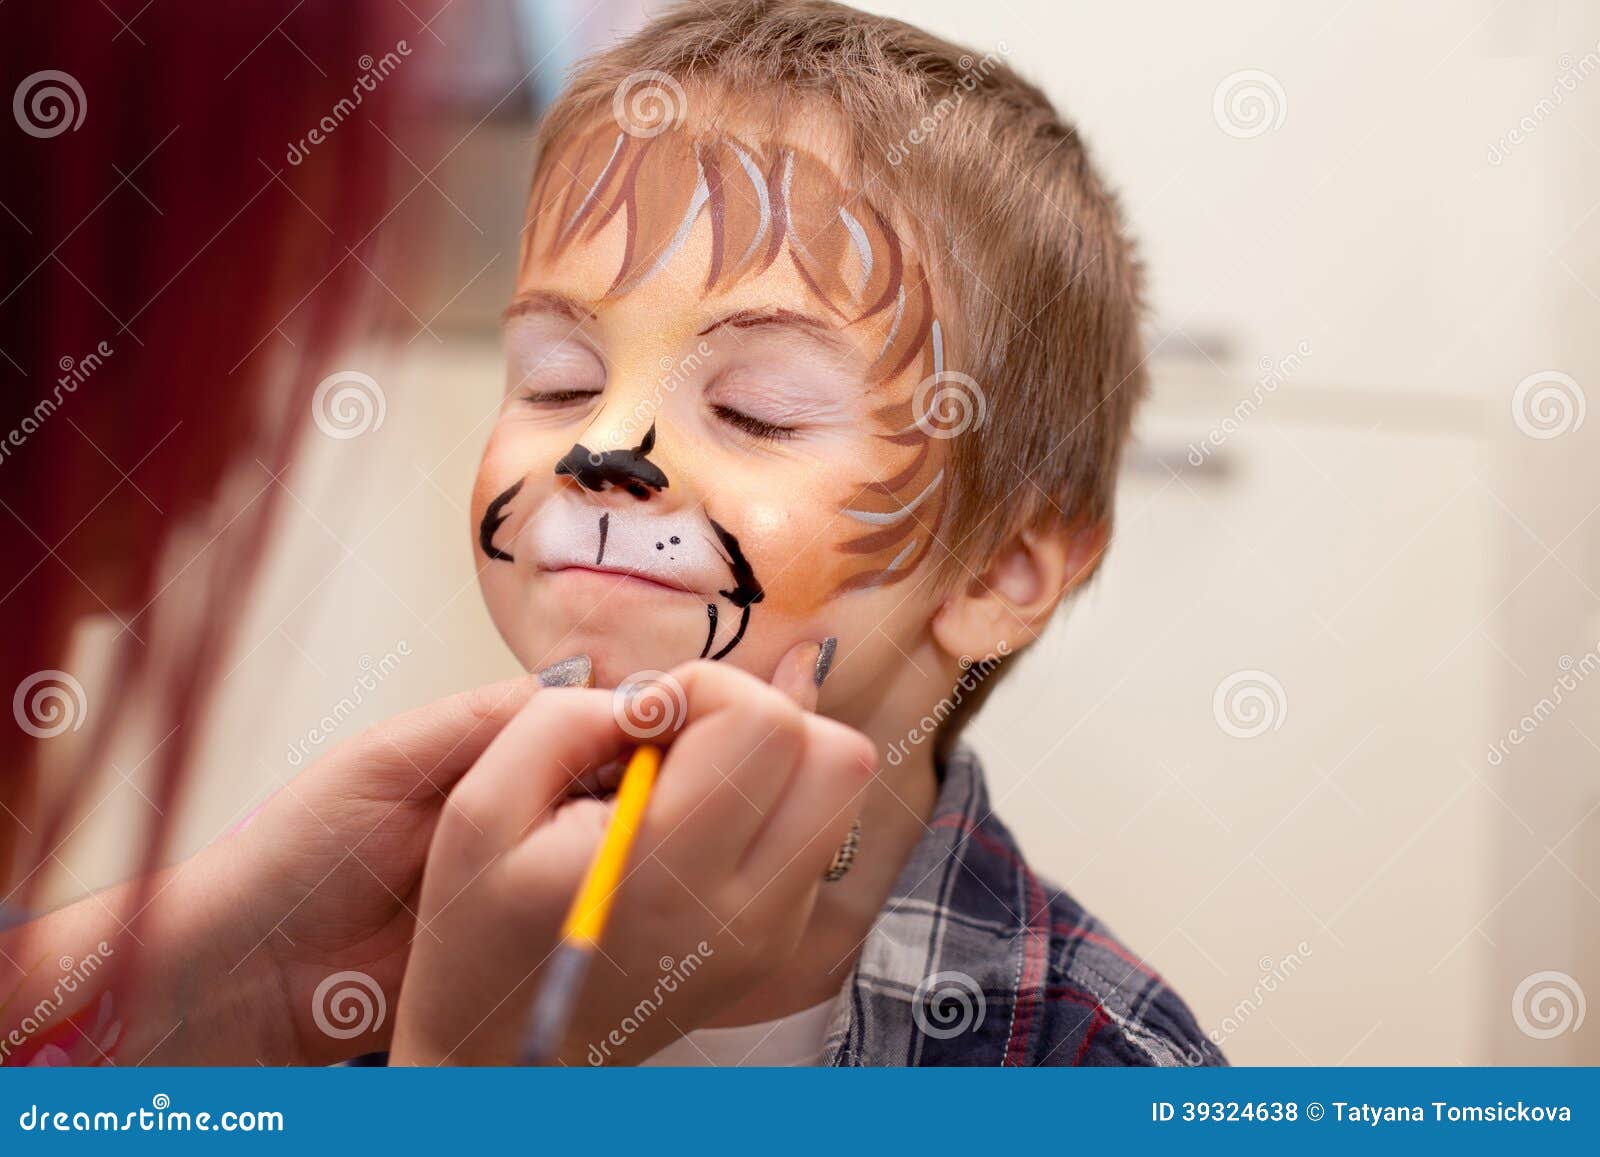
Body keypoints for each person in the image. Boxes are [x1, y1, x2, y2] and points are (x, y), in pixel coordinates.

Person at [389, 0, 1224, 1066]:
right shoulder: (358, 951)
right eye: (559, 382)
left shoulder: (1098, 1063)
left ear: (1002, 566)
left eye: (756, 411)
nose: (598, 448)